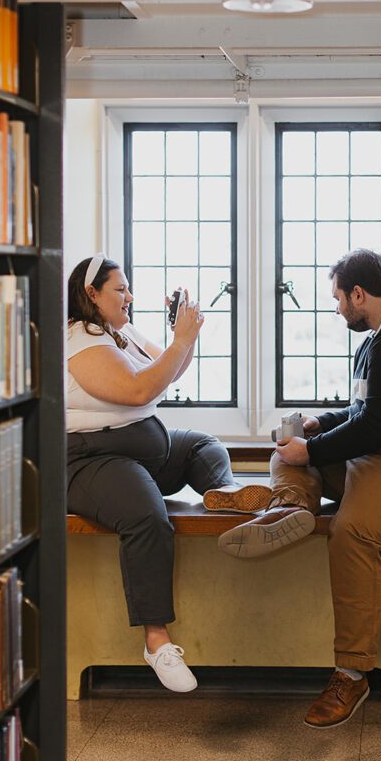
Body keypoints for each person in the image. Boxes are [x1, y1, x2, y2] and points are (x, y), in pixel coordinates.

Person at [217, 249, 381, 728]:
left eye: (337, 299)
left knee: (353, 531)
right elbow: (368, 412)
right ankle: (287, 509)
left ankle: (352, 672)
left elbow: (378, 426)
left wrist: (315, 450)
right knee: (287, 450)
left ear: (359, 294)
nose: (336, 308)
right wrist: (317, 425)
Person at [66, 254, 265, 692]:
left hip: (142, 449)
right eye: (120, 289)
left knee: (202, 444)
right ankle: (156, 640)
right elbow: (138, 390)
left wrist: (184, 337)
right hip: (92, 460)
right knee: (146, 515)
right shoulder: (80, 339)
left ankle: (227, 495)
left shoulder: (120, 330)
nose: (130, 296)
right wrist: (179, 341)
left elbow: (169, 371)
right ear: (91, 294)